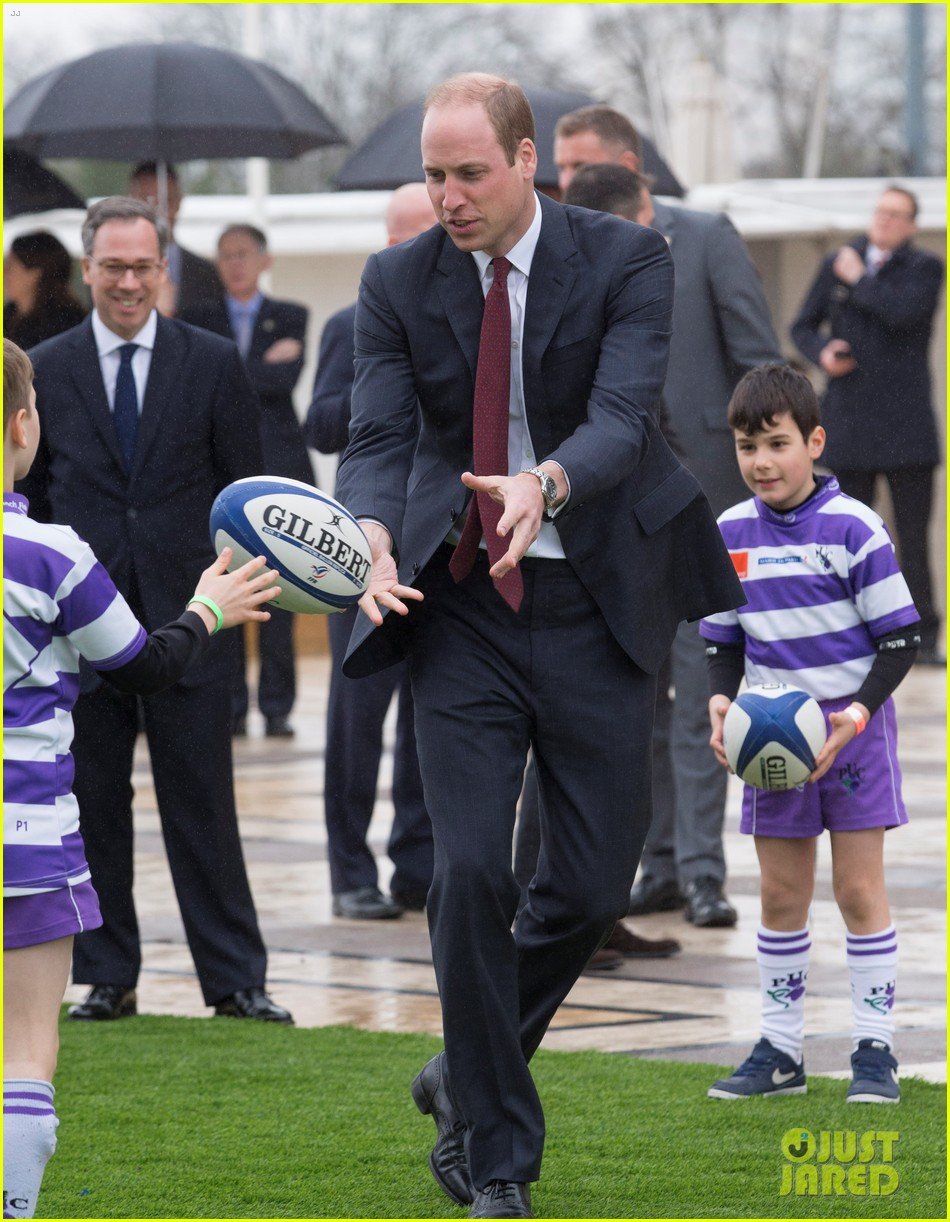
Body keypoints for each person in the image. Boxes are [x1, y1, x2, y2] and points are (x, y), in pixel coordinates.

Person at [334, 73, 741, 1217]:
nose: (448, 196)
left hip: (595, 595)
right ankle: (494, 1158)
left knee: (587, 879)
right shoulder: (395, 279)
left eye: (468, 173)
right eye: (432, 174)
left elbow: (619, 417)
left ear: (526, 162)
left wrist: (541, 481)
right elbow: (374, 436)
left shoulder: (623, 259)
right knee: (466, 871)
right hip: (456, 603)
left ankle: (461, 1070)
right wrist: (368, 533)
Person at [3, 337, 281, 1220]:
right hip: (28, 838)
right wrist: (211, 607)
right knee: (26, 1046)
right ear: (22, 425)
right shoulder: (51, 554)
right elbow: (145, 666)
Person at [18, 197, 292, 1026]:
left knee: (204, 804)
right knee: (94, 803)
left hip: (192, 620)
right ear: (89, 267)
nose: (129, 282)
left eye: (143, 267)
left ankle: (236, 979)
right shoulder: (46, 366)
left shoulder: (211, 361)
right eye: (113, 267)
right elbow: (31, 492)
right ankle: (107, 975)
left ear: (163, 270)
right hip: (81, 630)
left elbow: (245, 489)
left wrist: (238, 595)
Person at [554, 104, 784, 929]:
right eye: (560, 168)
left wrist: (771, 484)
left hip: (707, 512)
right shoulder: (564, 250)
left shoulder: (707, 236)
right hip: (611, 520)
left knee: (701, 703)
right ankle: (652, 866)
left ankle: (702, 871)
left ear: (628, 164)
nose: (567, 182)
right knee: (635, 701)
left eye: (580, 166)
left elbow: (758, 361)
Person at [701, 363, 920, 1103]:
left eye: (777, 444)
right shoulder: (729, 531)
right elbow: (721, 641)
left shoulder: (855, 528)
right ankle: (781, 1050)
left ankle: (874, 1051)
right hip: (771, 750)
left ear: (814, 441)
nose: (761, 462)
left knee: (859, 892)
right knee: (779, 895)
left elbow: (900, 639)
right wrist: (720, 705)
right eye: (746, 447)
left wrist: (853, 717)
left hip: (852, 741)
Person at [305, 183, 436, 920]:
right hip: (359, 551)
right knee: (358, 719)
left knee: (431, 716)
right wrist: (381, 393)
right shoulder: (352, 322)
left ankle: (416, 867)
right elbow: (320, 424)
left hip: (443, 546)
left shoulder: (470, 321)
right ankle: (348, 872)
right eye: (406, 240)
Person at [790, 185, 944, 665]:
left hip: (906, 426)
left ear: (912, 226)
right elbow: (802, 326)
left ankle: (922, 637)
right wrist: (822, 354)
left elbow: (903, 316)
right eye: (882, 212)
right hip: (851, 421)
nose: (885, 221)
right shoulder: (840, 258)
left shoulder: (924, 268)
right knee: (852, 533)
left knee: (912, 537)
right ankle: (854, 632)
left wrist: (859, 280)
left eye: (897, 215)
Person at [181, 223, 311, 738]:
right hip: (220, 469)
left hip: (280, 468)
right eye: (225, 255)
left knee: (284, 588)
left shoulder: (292, 314)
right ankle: (231, 704)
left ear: (264, 260)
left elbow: (281, 383)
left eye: (243, 254)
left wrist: (235, 370)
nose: (234, 264)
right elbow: (216, 385)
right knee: (228, 585)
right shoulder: (198, 318)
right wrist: (256, 365)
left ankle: (277, 705)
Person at [128, 161, 223, 316]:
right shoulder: (112, 268)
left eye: (166, 201)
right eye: (147, 201)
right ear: (131, 203)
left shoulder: (207, 273)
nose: (157, 211)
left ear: (179, 202)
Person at [3, 232, 87, 350]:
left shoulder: (66, 323)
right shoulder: (8, 313)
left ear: (35, 273)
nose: (4, 273)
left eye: (10, 266)